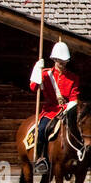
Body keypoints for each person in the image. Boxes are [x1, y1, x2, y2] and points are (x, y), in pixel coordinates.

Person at [29, 41, 79, 172]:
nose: (62, 64)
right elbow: (33, 87)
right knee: (41, 130)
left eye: (65, 61)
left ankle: (82, 157)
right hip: (50, 111)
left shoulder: (73, 78)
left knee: (79, 129)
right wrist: (36, 71)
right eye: (60, 61)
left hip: (67, 110)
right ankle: (41, 158)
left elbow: (74, 97)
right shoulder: (46, 74)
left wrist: (70, 106)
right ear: (55, 59)